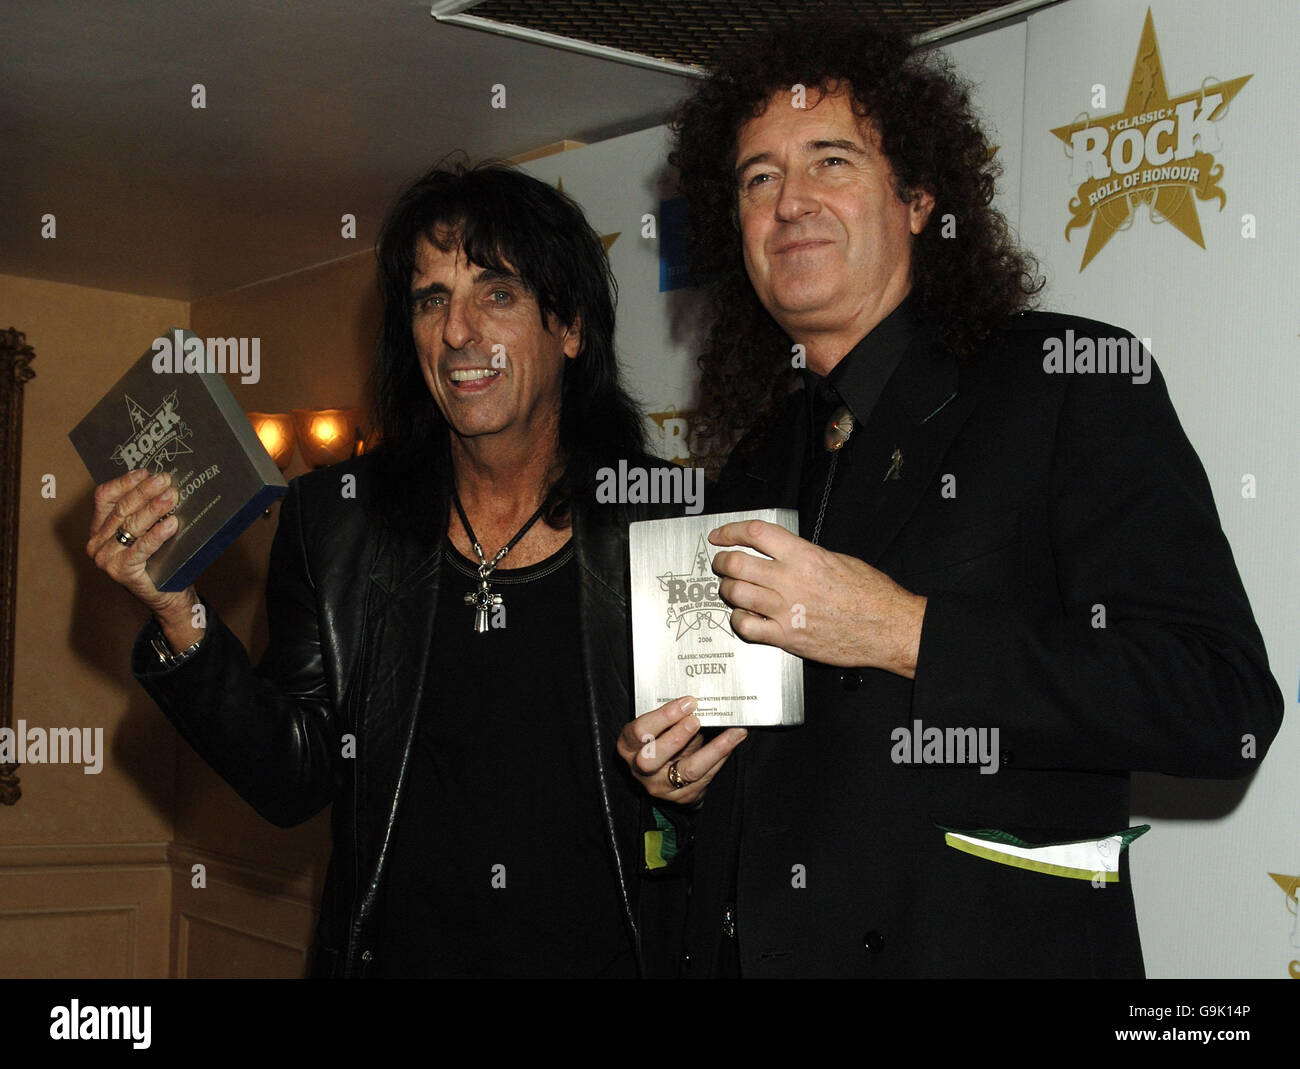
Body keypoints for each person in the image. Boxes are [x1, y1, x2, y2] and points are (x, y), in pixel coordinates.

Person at [621, 14, 1284, 977]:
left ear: (920, 195)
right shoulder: (758, 461)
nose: (790, 201)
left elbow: (1220, 703)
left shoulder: (1066, 381)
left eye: (831, 161)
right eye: (758, 177)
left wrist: (903, 631)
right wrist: (681, 782)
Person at [88, 161, 689, 978]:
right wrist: (177, 612)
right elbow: (293, 775)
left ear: (572, 327)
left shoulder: (666, 523)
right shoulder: (339, 523)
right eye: (431, 299)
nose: (458, 332)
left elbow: (736, 798)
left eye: (498, 293)